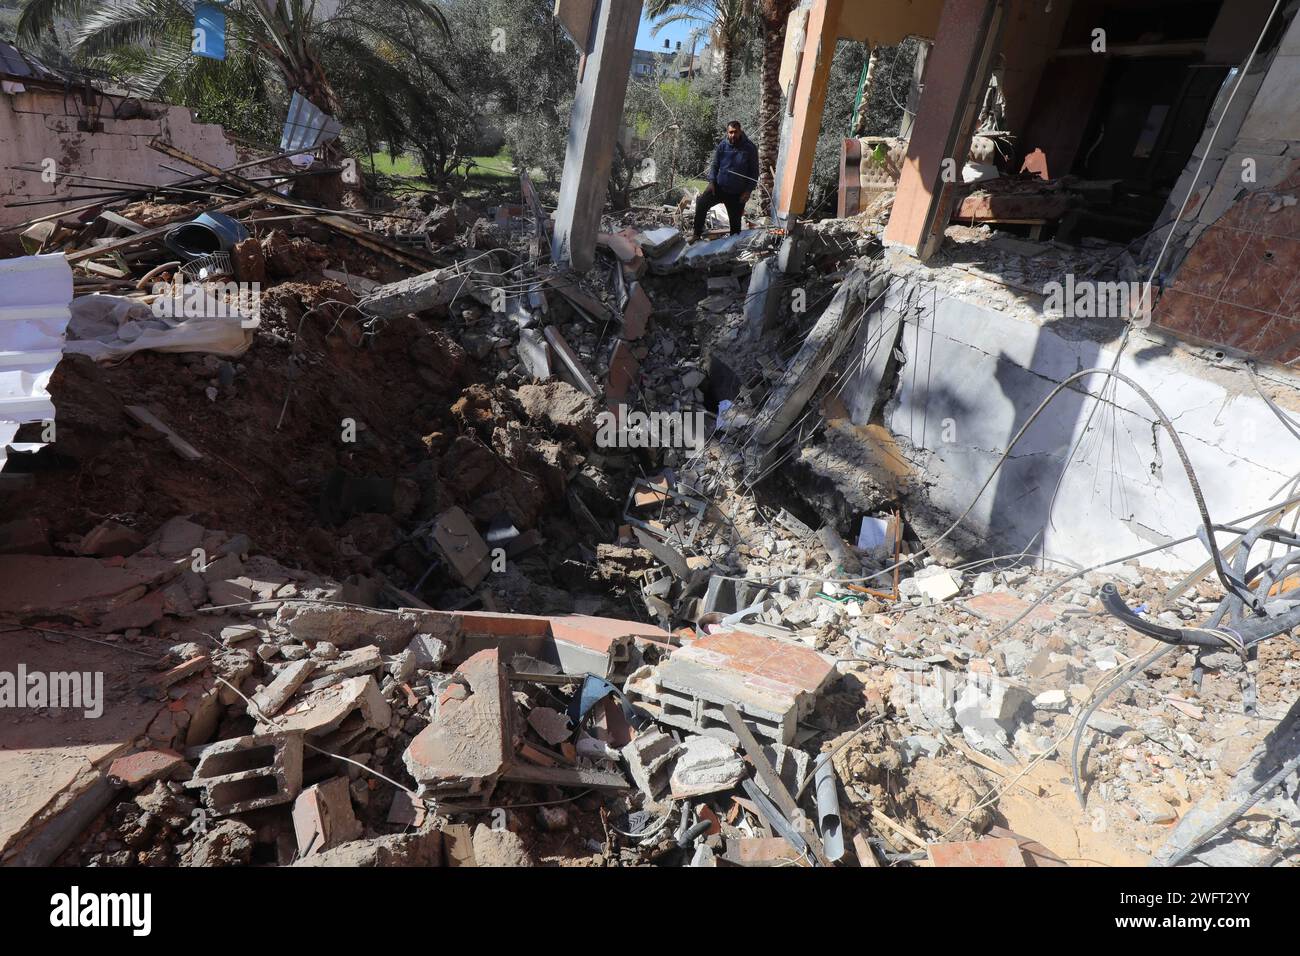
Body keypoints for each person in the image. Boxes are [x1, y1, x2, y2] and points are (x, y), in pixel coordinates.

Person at [693, 120, 759, 240]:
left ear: (740, 131)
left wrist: (748, 191)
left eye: (735, 132)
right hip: (719, 188)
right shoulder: (723, 145)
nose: (733, 135)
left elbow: (754, 172)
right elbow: (714, 165)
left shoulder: (750, 148)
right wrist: (712, 181)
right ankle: (696, 234)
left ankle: (732, 249)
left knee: (735, 226)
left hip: (737, 193)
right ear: (727, 132)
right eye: (730, 132)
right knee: (701, 204)